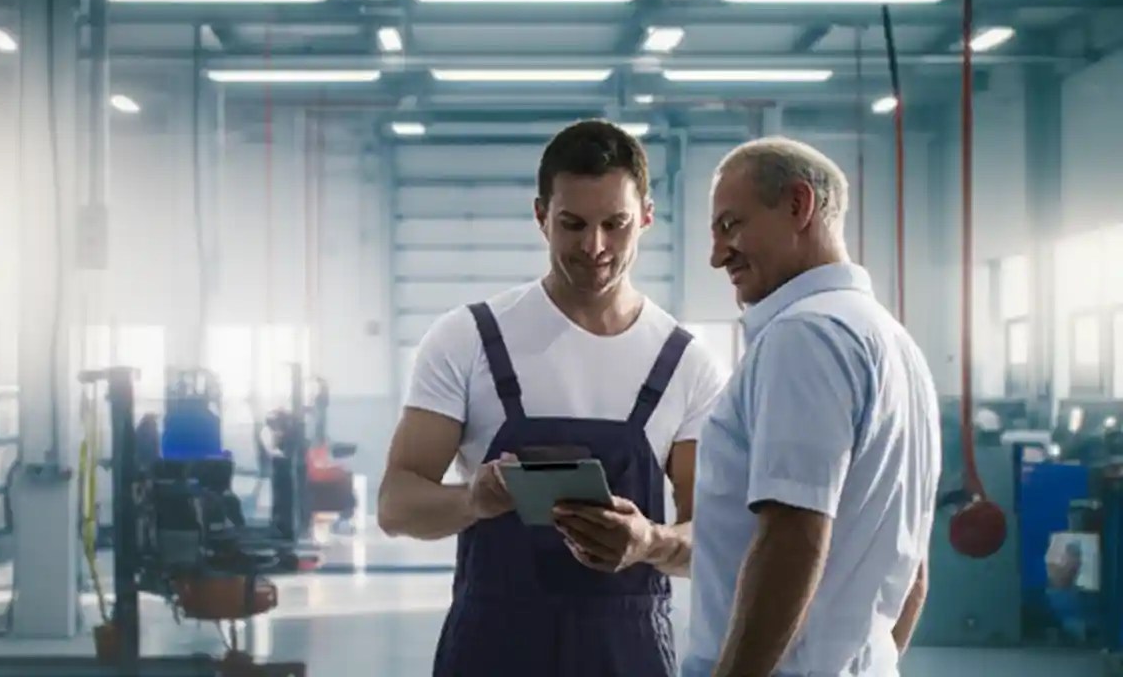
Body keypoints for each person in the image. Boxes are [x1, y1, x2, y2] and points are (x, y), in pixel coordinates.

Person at [377, 119, 728, 677]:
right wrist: (474, 501)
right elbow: (395, 506)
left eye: (615, 224)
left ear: (646, 216)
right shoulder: (467, 340)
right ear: (541, 216)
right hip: (491, 651)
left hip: (627, 654)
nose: (595, 247)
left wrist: (649, 543)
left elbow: (715, 537)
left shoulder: (686, 362)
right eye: (573, 224)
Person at [683, 137, 942, 677]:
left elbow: (793, 536)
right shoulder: (895, 343)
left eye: (731, 225)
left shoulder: (804, 335)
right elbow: (913, 571)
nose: (716, 255)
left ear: (799, 206)